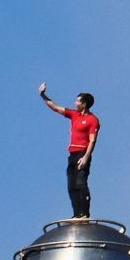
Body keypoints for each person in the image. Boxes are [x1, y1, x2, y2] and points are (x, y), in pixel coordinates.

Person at [39, 82, 99, 218]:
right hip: (72, 153)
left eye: (78, 101)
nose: (75, 103)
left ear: (84, 104)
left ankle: (85, 213)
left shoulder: (92, 120)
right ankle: (77, 214)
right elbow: (55, 107)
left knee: (80, 183)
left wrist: (86, 157)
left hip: (83, 153)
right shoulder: (74, 115)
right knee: (71, 185)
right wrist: (43, 95)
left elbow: (92, 140)